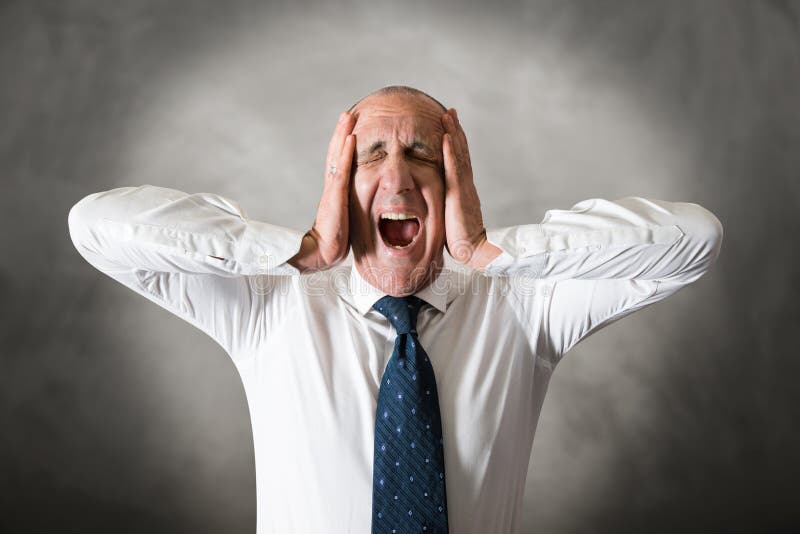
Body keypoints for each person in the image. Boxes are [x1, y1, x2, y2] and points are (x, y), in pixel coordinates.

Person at [67, 85, 724, 534]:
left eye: (423, 155)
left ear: (454, 184)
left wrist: (491, 248)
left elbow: (693, 239)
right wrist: (295, 250)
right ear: (339, 186)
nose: (399, 179)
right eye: (369, 156)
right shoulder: (270, 305)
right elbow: (94, 226)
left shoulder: (524, 307)